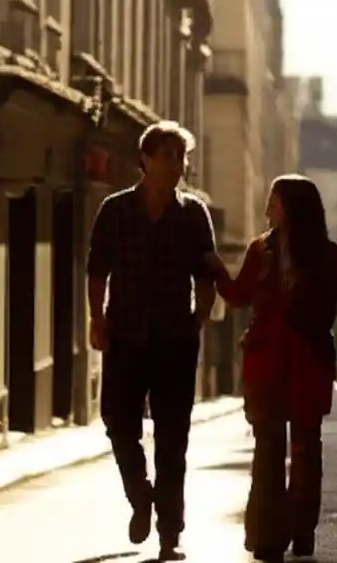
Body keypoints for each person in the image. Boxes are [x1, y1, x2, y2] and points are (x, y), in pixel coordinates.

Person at [86, 120, 218, 561]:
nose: (177, 165)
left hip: (174, 341)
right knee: (118, 422)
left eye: (181, 157)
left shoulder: (193, 213)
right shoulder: (116, 209)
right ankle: (141, 497)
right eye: (168, 156)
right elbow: (97, 269)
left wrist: (198, 319)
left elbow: (207, 273)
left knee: (173, 438)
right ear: (145, 160)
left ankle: (169, 533)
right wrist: (96, 319)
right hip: (125, 334)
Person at [205, 175, 337, 563]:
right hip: (267, 358)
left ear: (293, 208)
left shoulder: (326, 255)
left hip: (307, 357)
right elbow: (238, 294)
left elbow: (326, 311)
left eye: (274, 203)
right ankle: (267, 536)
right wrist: (217, 269)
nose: (267, 211)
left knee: (305, 445)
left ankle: (302, 530)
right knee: (267, 446)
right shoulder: (260, 250)